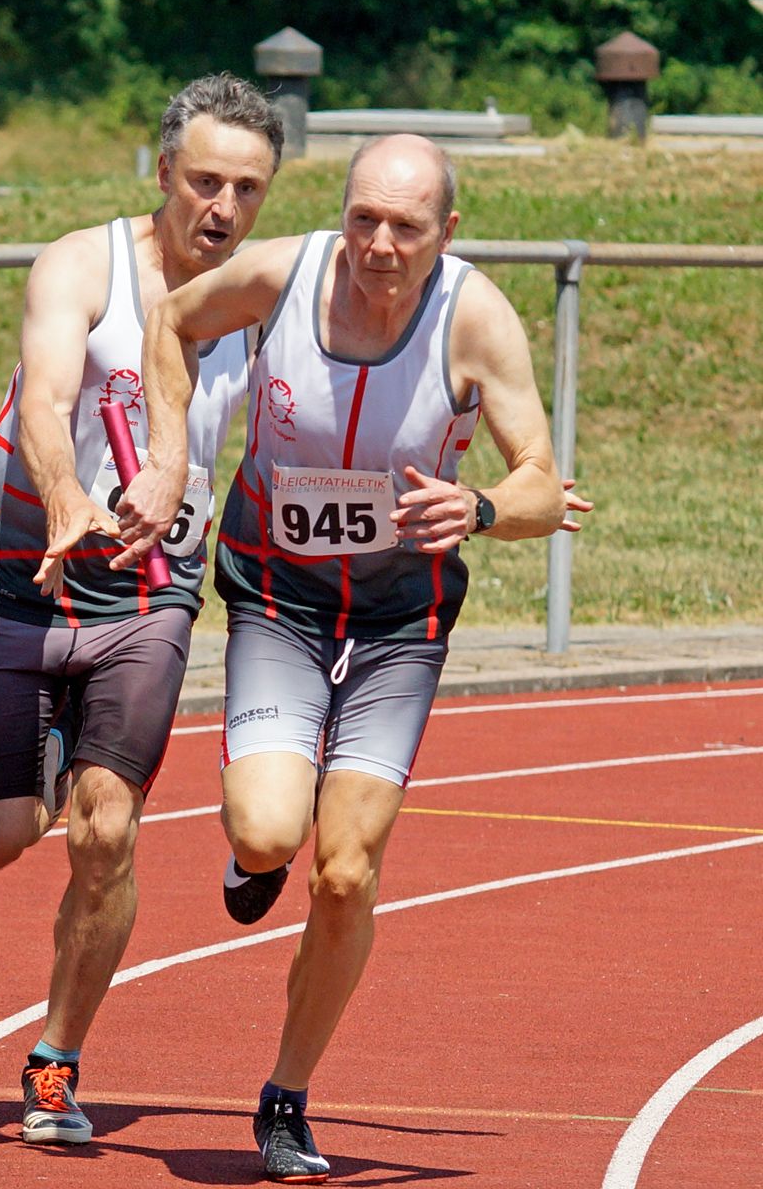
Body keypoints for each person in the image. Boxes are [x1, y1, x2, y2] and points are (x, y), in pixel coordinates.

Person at [143, 133, 579, 1182]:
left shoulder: (473, 319)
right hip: (280, 601)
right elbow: (174, 321)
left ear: (448, 233)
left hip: (398, 624)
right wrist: (169, 453)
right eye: (364, 220)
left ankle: (287, 1094)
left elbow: (542, 485)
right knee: (266, 831)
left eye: (407, 228)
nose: (380, 246)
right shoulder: (282, 275)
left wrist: (475, 508)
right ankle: (256, 858)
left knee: (345, 872)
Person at [0, 74, 282, 1146]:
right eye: (203, 182)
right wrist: (69, 501)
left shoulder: (264, 302)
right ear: (162, 174)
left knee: (106, 831)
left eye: (245, 189)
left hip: (151, 591)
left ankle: (57, 1057)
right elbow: (46, 399)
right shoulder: (83, 263)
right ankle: (45, 750)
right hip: (24, 565)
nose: (221, 209)